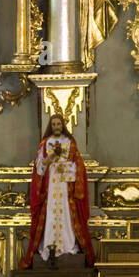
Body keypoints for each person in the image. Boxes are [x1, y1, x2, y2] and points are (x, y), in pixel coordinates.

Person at [20, 114, 95, 268]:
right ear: (50, 126)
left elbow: (79, 166)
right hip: (51, 189)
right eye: (53, 124)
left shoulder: (70, 143)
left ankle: (68, 246)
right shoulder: (45, 144)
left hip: (66, 188)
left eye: (58, 124)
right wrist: (53, 155)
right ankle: (50, 245)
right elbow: (39, 168)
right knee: (51, 216)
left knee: (67, 217)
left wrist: (70, 171)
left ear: (63, 125)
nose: (56, 127)